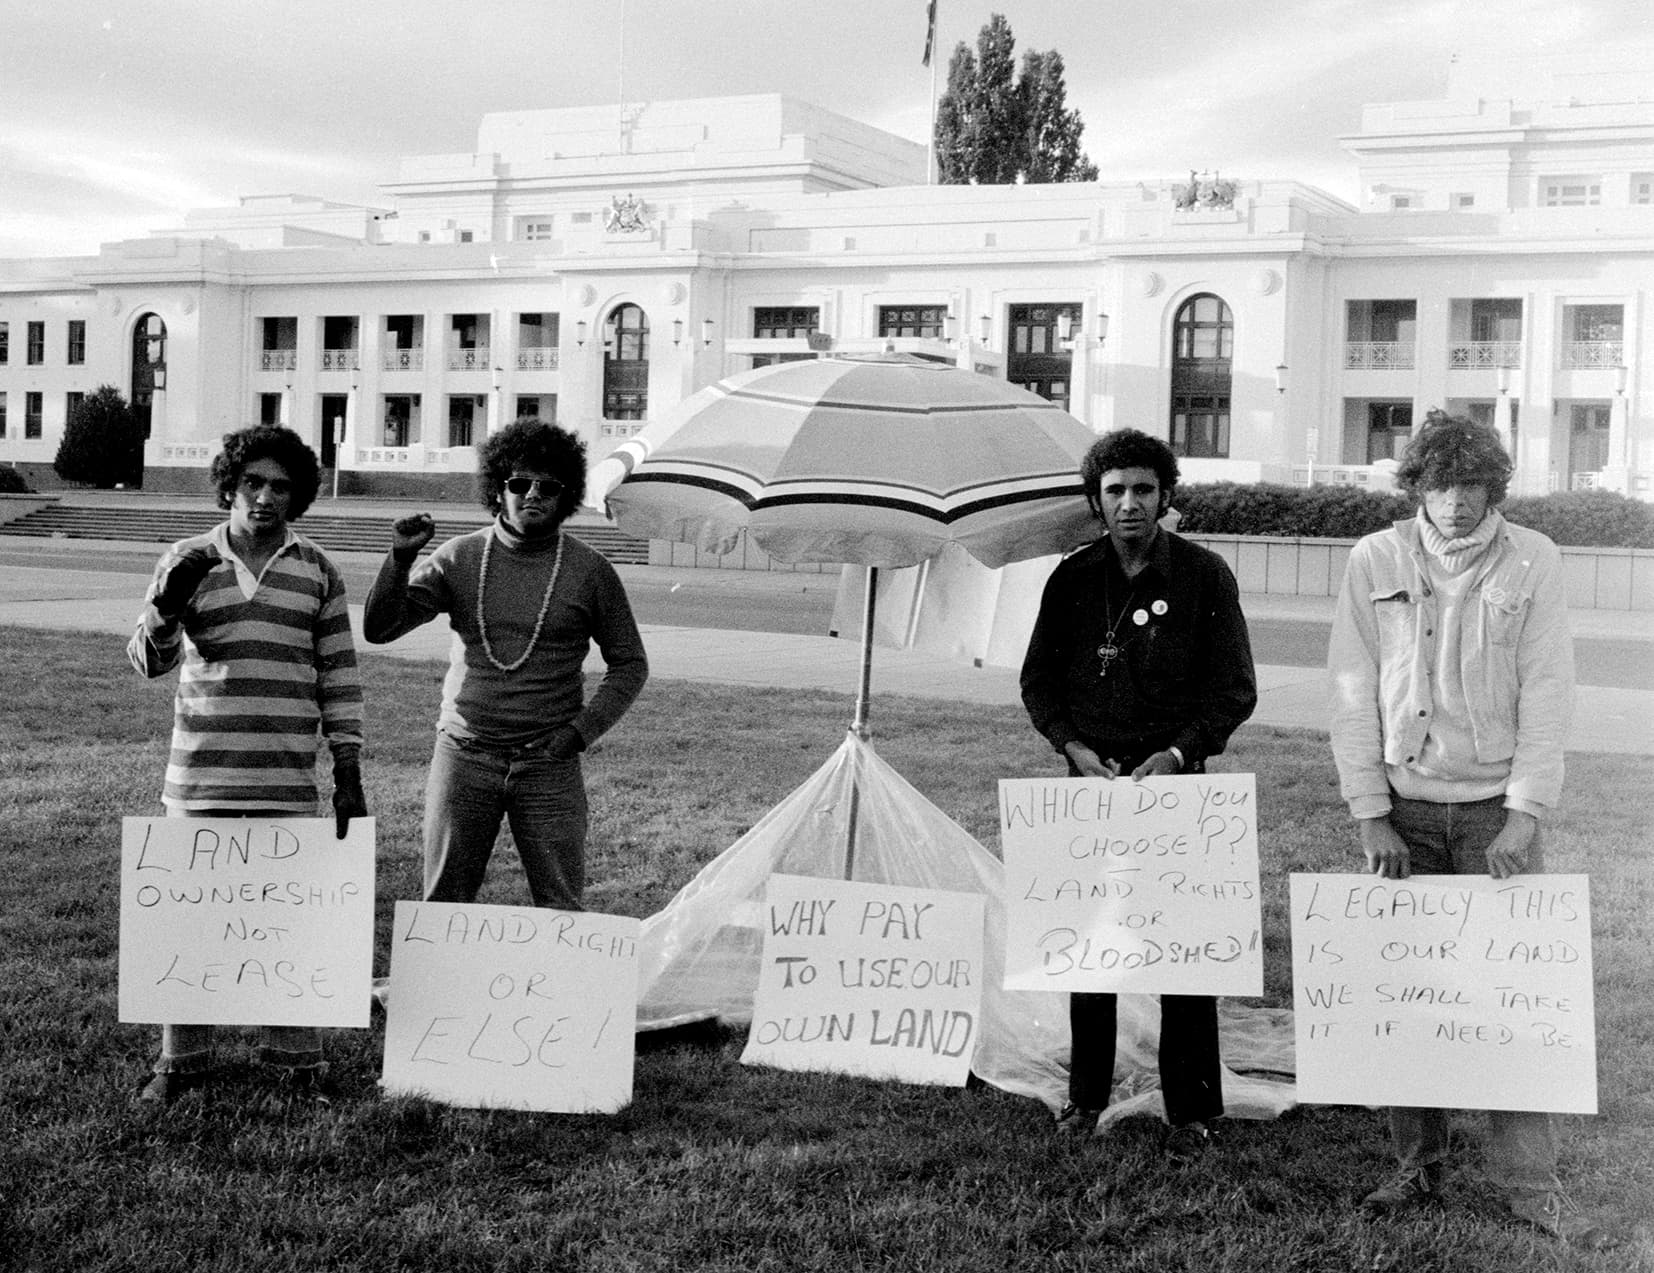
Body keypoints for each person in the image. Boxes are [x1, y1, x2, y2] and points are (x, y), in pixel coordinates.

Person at [1329, 411, 1608, 1247]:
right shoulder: (1373, 558)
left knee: (1514, 1000)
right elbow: (1350, 688)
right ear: (1415, 485)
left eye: (1472, 484)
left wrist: (1526, 811)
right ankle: (1418, 1168)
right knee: (1409, 1000)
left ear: (1496, 487)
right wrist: (1370, 812)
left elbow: (1549, 687)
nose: (1454, 503)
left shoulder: (1536, 557)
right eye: (1437, 483)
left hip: (1495, 812)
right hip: (1404, 808)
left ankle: (1531, 1182)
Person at [1020, 428, 1257, 1158]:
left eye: (1144, 489)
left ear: (1165, 495)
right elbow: (1038, 682)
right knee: (1091, 949)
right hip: (1090, 789)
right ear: (1096, 499)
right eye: (1115, 490)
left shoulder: (1205, 576)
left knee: (1184, 954)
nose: (1129, 503)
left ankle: (1191, 1110)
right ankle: (1084, 1097)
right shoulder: (1070, 579)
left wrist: (1181, 752)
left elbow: (1234, 689)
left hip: (1176, 790)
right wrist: (1072, 745)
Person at [128, 425, 366, 1105]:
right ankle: (181, 1061)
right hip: (200, 776)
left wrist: (347, 770)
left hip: (287, 779)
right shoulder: (186, 557)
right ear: (229, 486)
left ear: (300, 495)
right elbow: (150, 664)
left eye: (281, 486)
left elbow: (338, 674)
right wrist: (166, 607)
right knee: (191, 922)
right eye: (252, 483)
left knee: (288, 924)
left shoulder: (317, 568)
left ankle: (296, 1061)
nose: (265, 497)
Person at [363, 419, 647, 911]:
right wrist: (400, 560)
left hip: (549, 764)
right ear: (498, 489)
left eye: (548, 486)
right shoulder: (459, 557)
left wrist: (579, 733)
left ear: (567, 495)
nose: (532, 494)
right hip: (464, 754)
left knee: (560, 906)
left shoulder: (591, 571)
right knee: (445, 904)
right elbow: (380, 629)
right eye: (519, 483)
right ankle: (437, 989)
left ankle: (560, 989)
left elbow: (630, 664)